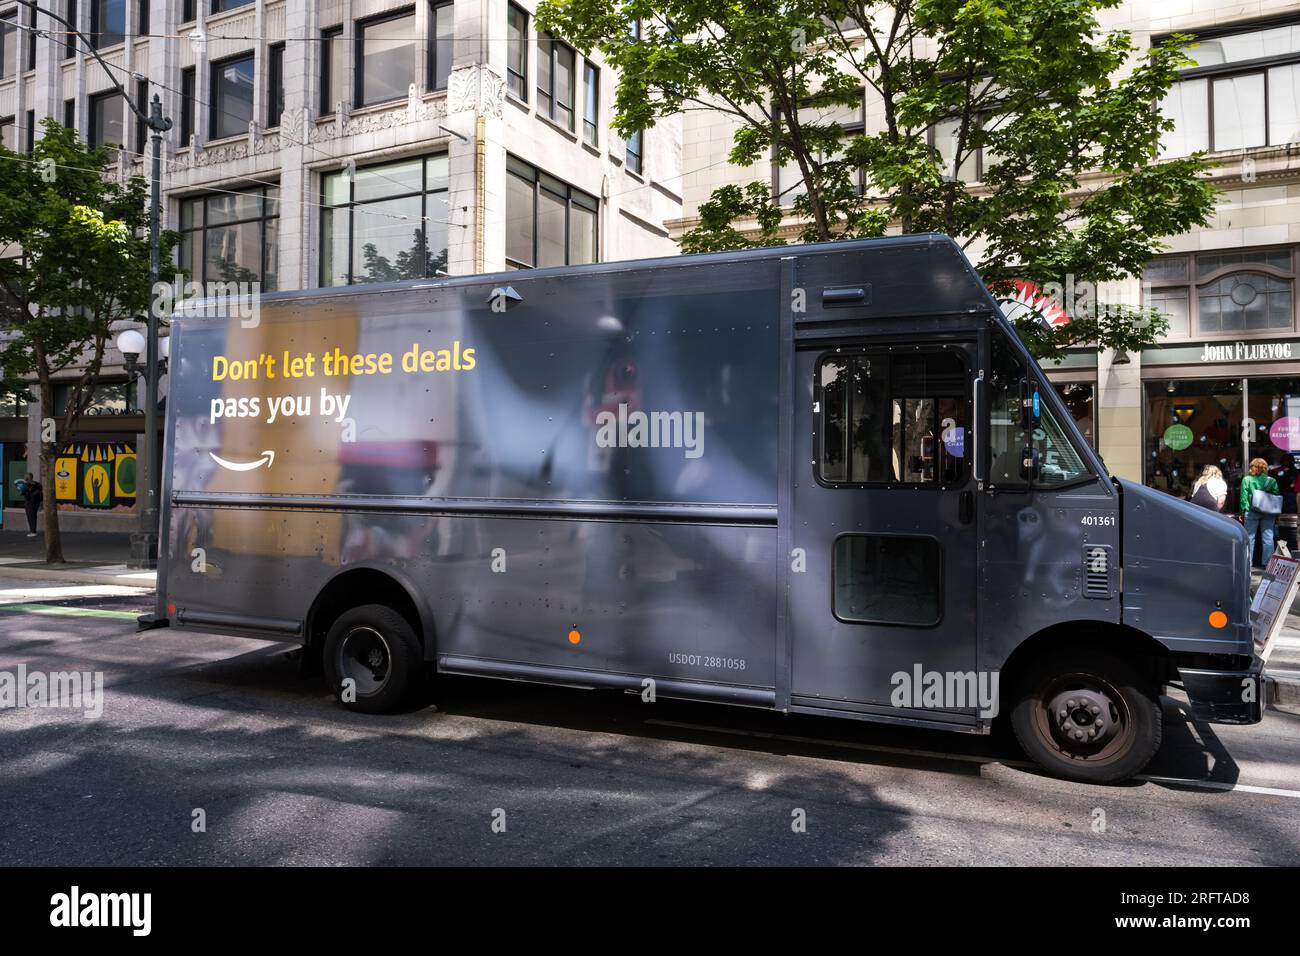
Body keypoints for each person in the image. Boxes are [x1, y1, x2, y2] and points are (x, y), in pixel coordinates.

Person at [1241, 458, 1281, 568]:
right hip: (1268, 512)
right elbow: (1276, 496)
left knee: (1249, 538)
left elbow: (1244, 498)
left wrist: (1243, 510)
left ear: (1252, 467)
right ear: (1265, 468)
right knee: (1268, 538)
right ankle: (1267, 564)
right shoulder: (1272, 481)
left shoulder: (1247, 480)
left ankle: (1247, 563)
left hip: (1252, 511)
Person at [16, 472, 42, 537]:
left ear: (27, 478)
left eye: (25, 477)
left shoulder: (25, 484)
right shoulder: (37, 484)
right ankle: (33, 530)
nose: (24, 478)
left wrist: (21, 491)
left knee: (30, 517)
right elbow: (41, 490)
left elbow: (21, 493)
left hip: (29, 502)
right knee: (34, 516)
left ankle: (33, 532)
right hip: (36, 502)